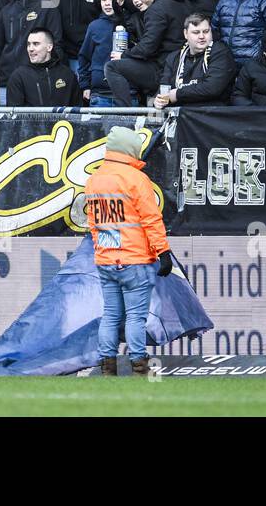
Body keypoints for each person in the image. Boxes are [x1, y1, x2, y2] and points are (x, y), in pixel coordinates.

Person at [86, 125, 172, 377]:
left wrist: (102, 251)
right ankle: (139, 366)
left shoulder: (94, 179)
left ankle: (106, 366)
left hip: (105, 260)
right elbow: (151, 219)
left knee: (110, 315)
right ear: (130, 149)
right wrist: (163, 252)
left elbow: (93, 223)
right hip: (134, 260)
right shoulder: (136, 179)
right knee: (136, 317)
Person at [6, 28, 83, 106]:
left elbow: (77, 110)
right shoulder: (18, 77)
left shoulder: (67, 75)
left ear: (49, 47)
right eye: (28, 44)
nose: (30, 49)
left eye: (36, 44)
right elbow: (14, 115)